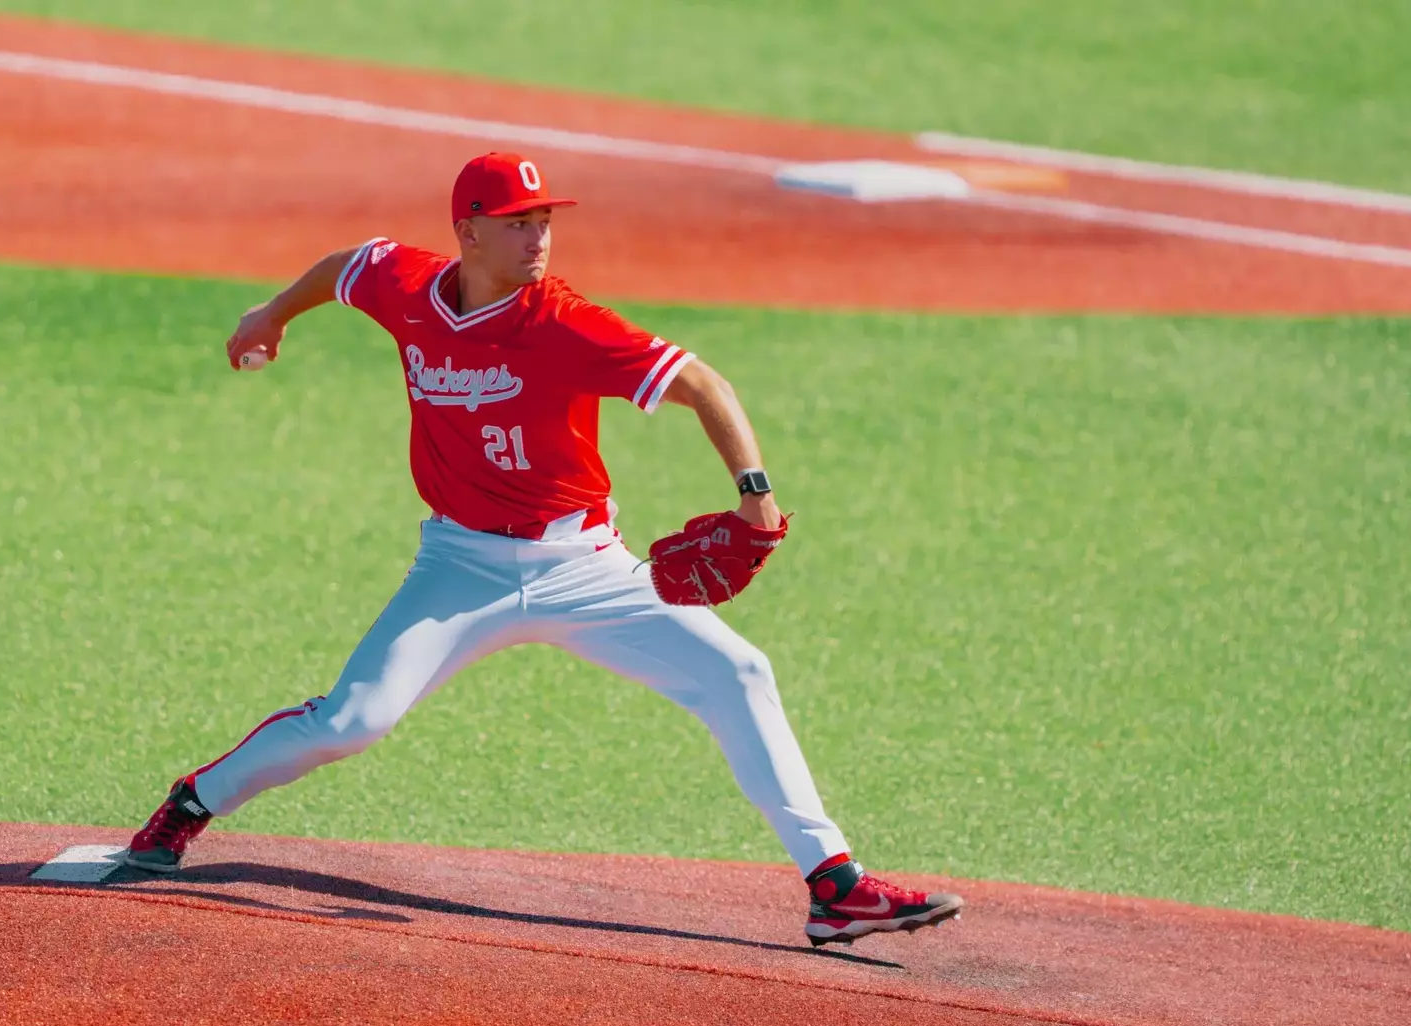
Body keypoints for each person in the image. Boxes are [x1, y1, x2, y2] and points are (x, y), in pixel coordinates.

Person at [124, 152, 962, 947]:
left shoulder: (563, 321)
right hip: (460, 566)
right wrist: (271, 313)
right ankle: (193, 802)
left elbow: (704, 384)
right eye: (521, 221)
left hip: (587, 569)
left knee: (738, 672)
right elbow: (348, 265)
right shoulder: (405, 284)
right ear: (472, 230)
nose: (540, 237)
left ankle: (834, 887)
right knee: (353, 720)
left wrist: (758, 497)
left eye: (546, 220)